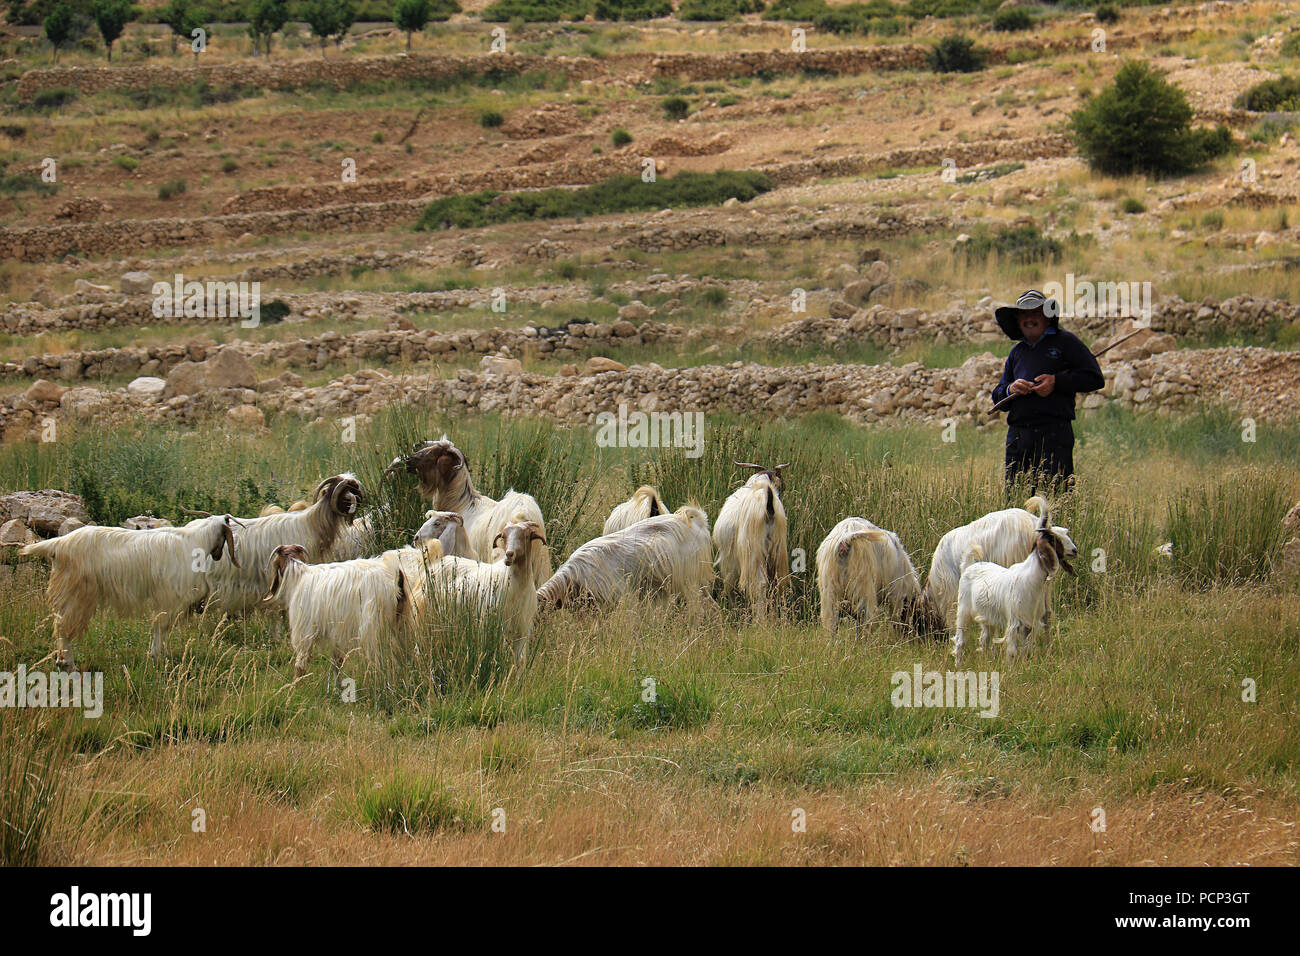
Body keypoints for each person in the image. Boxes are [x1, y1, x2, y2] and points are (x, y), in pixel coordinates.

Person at [991, 289, 1105, 488]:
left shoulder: (1067, 342)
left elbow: (1094, 378)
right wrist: (1011, 389)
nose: (1029, 319)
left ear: (1046, 317)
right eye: (1024, 314)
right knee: (1017, 501)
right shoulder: (1017, 352)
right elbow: (998, 396)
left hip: (1054, 434)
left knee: (1056, 495)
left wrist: (1056, 382)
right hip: (1018, 438)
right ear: (1018, 321)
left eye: (1035, 313)